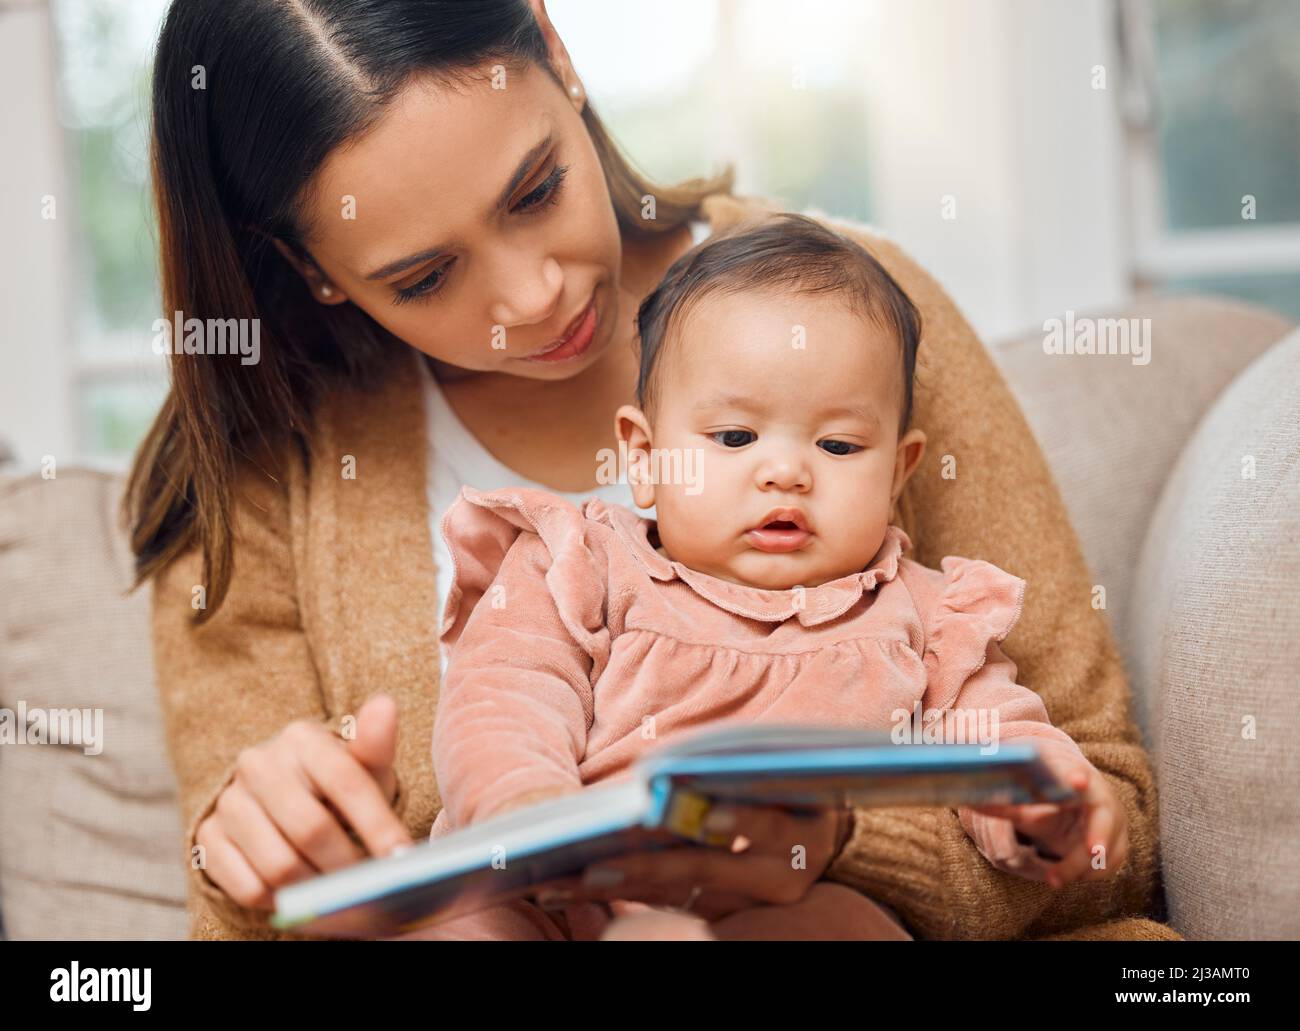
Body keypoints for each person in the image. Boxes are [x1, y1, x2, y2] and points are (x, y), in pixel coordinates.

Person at [128, 0, 1175, 940]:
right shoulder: (257, 470)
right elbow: (245, 927)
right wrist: (255, 871)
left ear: (556, 47)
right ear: (312, 267)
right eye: (426, 275)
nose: (533, 295)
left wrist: (840, 849)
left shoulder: (847, 317)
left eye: (534, 189)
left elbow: (1105, 828)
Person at [390, 215, 1126, 941]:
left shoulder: (930, 614)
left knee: (845, 924)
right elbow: (503, 696)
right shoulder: (578, 562)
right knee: (461, 918)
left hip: (785, 895)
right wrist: (528, 807)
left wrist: (1041, 806)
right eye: (736, 437)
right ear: (643, 457)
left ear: (898, 472)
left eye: (838, 445)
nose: (785, 472)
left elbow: (995, 732)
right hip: (566, 883)